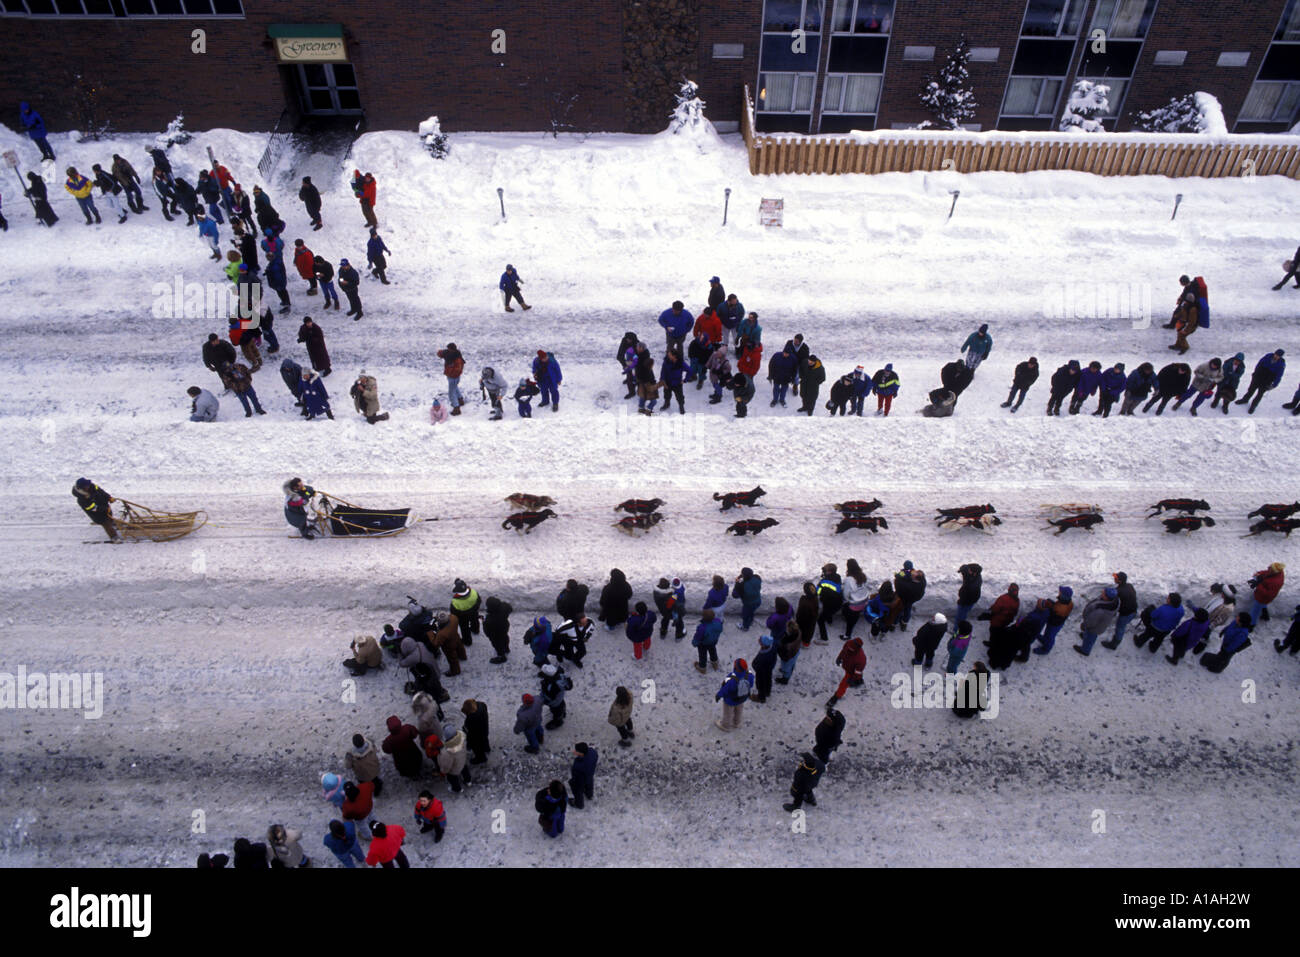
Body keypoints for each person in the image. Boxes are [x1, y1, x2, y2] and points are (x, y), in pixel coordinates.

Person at [1236, 350, 1286, 414]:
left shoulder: (1281, 364)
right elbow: (1259, 364)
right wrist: (1255, 373)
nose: (1276, 356)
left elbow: (1279, 375)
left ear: (1280, 357)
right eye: (1276, 354)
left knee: (1259, 394)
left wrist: (1274, 384)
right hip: (1258, 377)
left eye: (1278, 356)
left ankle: (1253, 406)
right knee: (1251, 390)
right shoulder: (1268, 356)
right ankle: (1245, 399)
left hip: (1267, 381)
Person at [72, 478, 120, 543]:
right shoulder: (81, 500)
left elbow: (101, 492)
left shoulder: (92, 486)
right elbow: (94, 508)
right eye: (86, 486)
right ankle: (114, 537)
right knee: (106, 523)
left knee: (110, 517)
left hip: (104, 505)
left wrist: (109, 498)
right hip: (97, 515)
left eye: (88, 485)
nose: (88, 486)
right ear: (82, 488)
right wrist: (105, 509)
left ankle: (112, 523)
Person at [1074, 587, 1119, 656]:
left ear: (1107, 597)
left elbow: (1090, 622)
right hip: (1099, 625)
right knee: (1090, 636)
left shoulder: (1100, 611)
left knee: (1090, 637)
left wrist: (1084, 625)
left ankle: (1085, 651)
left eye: (1103, 593)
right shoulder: (1115, 601)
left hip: (1094, 628)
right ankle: (1085, 636)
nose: (1101, 593)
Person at [827, 636, 865, 708]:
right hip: (847, 665)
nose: (849, 649)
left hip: (851, 672)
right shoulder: (848, 643)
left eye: (851, 649)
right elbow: (843, 651)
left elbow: (858, 672)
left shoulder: (861, 659)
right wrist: (839, 657)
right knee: (849, 681)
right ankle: (859, 680)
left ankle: (836, 697)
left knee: (843, 684)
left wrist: (852, 679)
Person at [715, 658, 752, 731]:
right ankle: (736, 723)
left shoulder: (733, 679)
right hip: (742, 698)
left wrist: (719, 695)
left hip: (730, 700)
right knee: (739, 710)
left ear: (737, 668)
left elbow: (725, 689)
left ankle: (726, 725)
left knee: (728, 713)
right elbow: (750, 685)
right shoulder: (749, 675)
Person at [692, 607, 723, 672]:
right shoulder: (718, 621)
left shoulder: (702, 627)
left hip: (703, 644)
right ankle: (715, 663)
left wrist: (694, 643)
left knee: (702, 655)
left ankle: (702, 667)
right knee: (713, 651)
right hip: (713, 641)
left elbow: (698, 637)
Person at [568, 743, 598, 810]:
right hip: (590, 775)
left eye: (576, 751)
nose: (574, 752)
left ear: (581, 754)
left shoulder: (579, 765)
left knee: (577, 791)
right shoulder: (593, 752)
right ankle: (589, 795)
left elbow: (576, 776)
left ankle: (578, 804)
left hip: (581, 779)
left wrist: (572, 782)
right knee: (589, 783)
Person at [462, 698, 491, 764]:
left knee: (477, 748)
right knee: (485, 739)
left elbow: (471, 732)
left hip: (476, 736)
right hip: (484, 730)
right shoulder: (482, 705)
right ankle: (487, 748)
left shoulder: (472, 718)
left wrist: (466, 731)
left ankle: (481, 758)